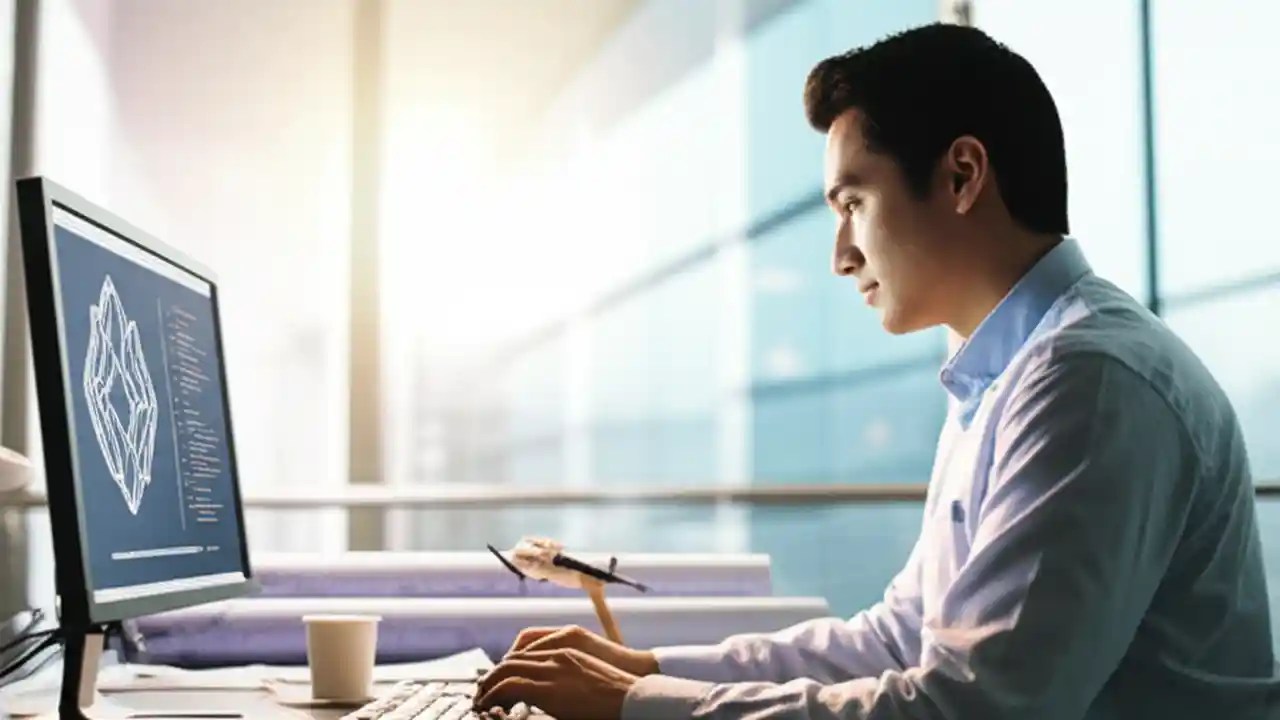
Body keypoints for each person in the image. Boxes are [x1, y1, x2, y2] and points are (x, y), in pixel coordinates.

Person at [474, 22, 1280, 720]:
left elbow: (975, 708)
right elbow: (900, 638)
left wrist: (637, 704)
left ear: (962, 176)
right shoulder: (1008, 373)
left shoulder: (1088, 381)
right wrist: (646, 670)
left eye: (853, 203)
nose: (841, 255)